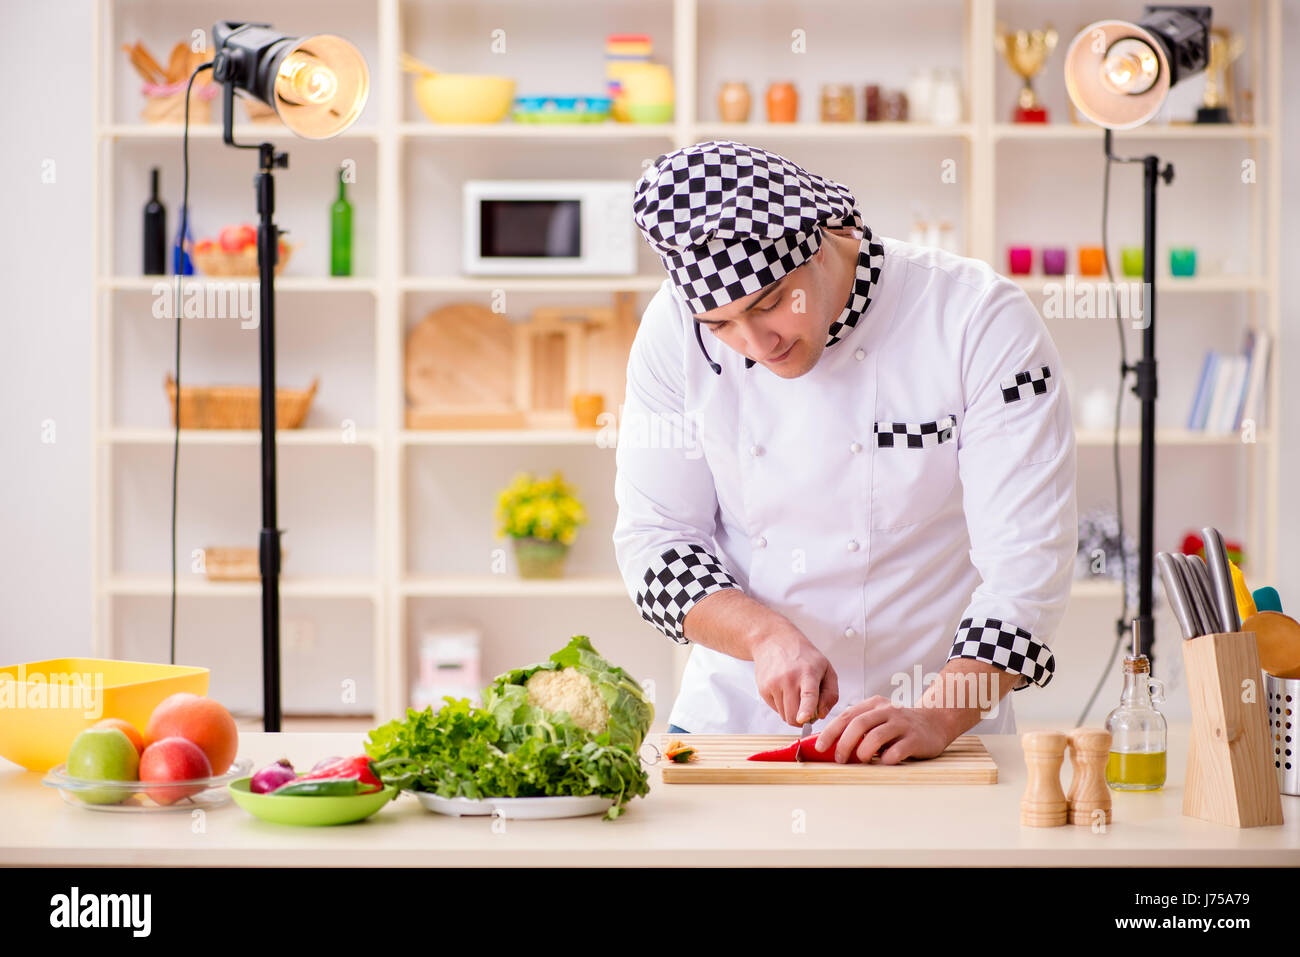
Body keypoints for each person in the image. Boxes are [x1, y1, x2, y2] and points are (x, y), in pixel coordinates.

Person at [611, 140, 1077, 763]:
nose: (754, 344)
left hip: (938, 731)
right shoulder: (671, 331)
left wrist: (938, 715)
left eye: (770, 304)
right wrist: (764, 635)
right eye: (719, 325)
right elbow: (656, 538)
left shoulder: (975, 319)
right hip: (734, 728)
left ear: (823, 241)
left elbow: (1026, 568)